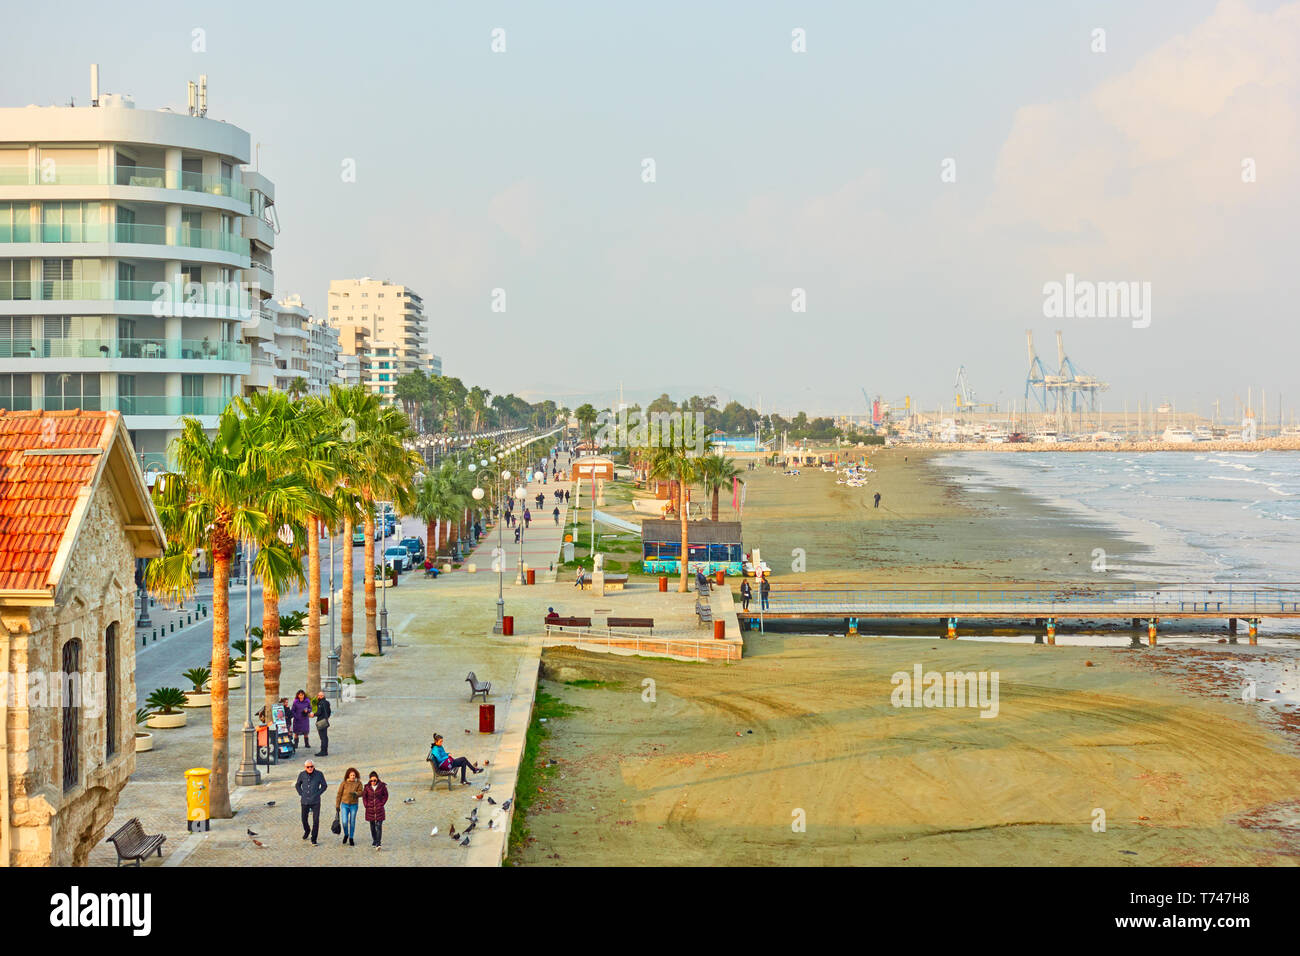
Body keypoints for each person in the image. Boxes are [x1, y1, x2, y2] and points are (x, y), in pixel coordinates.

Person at [296, 759, 327, 845]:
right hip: (305, 801)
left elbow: (324, 785)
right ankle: (307, 830)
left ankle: (314, 838)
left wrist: (318, 794)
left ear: (314, 766)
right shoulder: (302, 774)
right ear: (305, 767)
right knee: (304, 819)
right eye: (308, 767)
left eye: (311, 766)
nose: (310, 768)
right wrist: (301, 793)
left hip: (315, 801)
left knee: (316, 820)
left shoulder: (319, 774)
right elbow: (297, 785)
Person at [336, 767, 363, 846]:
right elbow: (339, 794)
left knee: (352, 821)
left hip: (354, 805)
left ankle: (351, 837)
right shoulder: (344, 783)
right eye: (351, 775)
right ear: (348, 775)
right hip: (344, 804)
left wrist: (356, 794)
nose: (353, 777)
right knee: (344, 821)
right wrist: (337, 805)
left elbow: (361, 792)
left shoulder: (358, 783)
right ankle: (346, 834)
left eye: (354, 775)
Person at [362, 771, 388, 850]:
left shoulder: (382, 786)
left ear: (377, 779)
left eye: (374, 780)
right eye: (371, 780)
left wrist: (382, 803)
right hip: (370, 809)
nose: (373, 782)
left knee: (379, 826)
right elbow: (364, 797)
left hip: (379, 809)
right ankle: (374, 840)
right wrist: (366, 805)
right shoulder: (367, 787)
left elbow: (385, 795)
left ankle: (378, 843)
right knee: (372, 826)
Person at [314, 690, 332, 757]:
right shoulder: (327, 702)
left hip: (321, 721)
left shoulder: (320, 703)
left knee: (323, 737)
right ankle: (325, 750)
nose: (319, 696)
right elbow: (329, 712)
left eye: (320, 696)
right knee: (325, 736)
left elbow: (319, 713)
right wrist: (327, 718)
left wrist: (313, 714)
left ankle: (323, 751)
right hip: (325, 721)